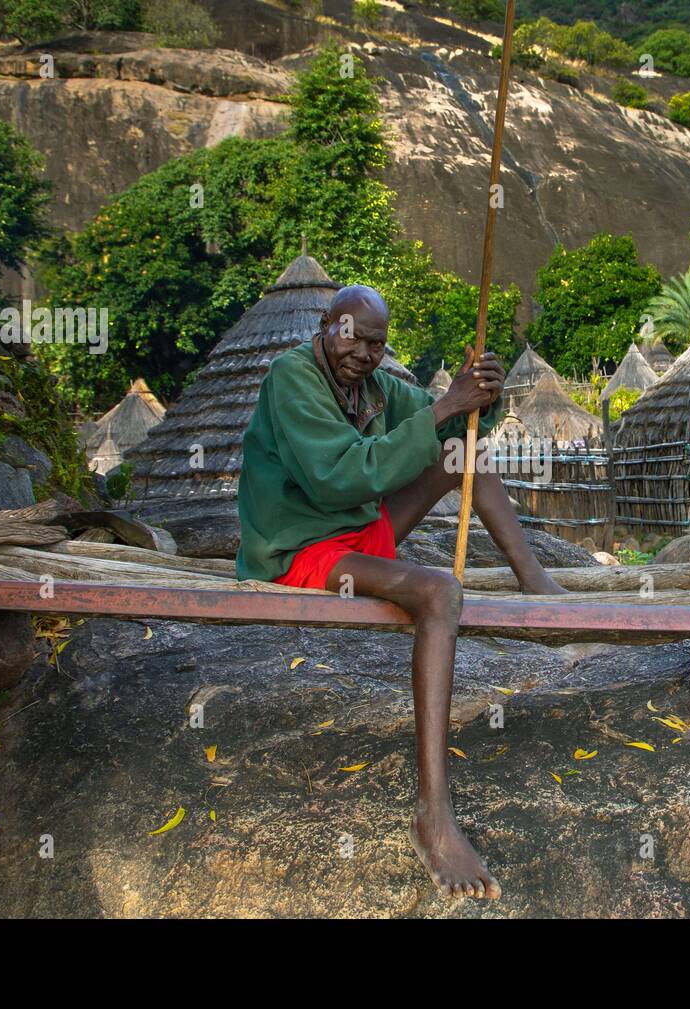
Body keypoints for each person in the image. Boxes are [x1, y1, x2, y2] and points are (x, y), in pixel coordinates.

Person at [237, 285, 567, 900]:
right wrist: (445, 407)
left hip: (359, 536)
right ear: (326, 325)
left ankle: (538, 583)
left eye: (376, 344)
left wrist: (480, 394)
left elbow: (447, 418)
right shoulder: (292, 376)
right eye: (351, 336)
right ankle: (434, 814)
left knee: (458, 448)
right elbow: (338, 478)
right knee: (440, 592)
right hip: (302, 551)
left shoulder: (376, 388)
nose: (363, 352)